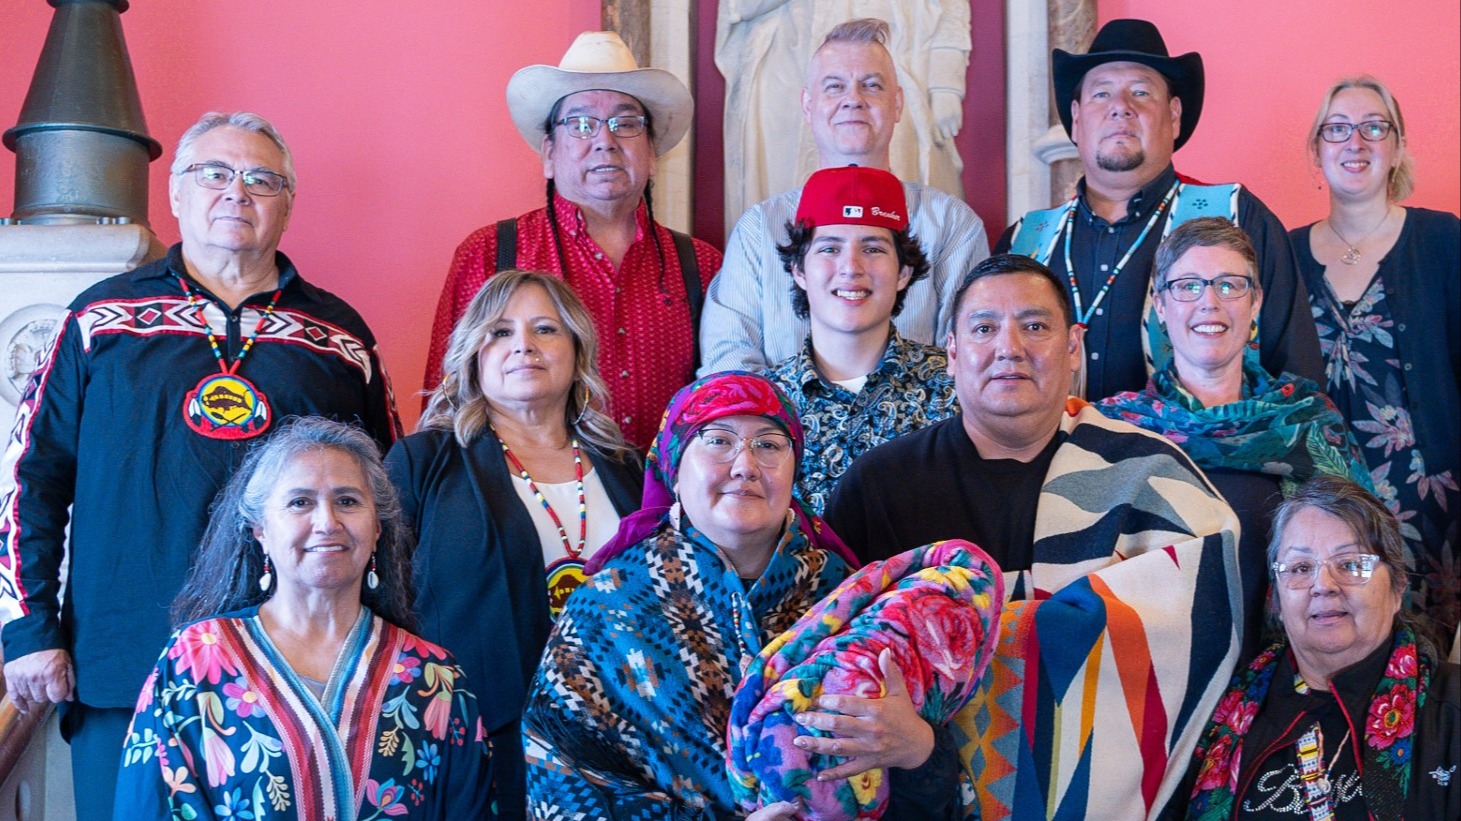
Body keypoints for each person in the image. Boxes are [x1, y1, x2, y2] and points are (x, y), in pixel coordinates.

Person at [0, 111, 400, 821]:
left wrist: (387, 635)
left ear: (287, 203)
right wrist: (28, 630)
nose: (235, 192)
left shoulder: (341, 340)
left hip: (305, 663)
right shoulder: (99, 320)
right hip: (124, 661)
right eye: (213, 173)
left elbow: (391, 502)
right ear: (176, 195)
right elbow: (29, 477)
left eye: (260, 178)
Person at [827, 254, 1245, 818]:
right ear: (950, 353)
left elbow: (1204, 639)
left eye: (1035, 326)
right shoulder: (878, 487)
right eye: (983, 329)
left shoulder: (1150, 475)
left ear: (1074, 348)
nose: (1010, 348)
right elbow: (832, 658)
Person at [521, 372, 996, 819]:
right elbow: (561, 790)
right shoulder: (606, 611)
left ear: (794, 472)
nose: (745, 466)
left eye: (769, 445)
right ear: (672, 469)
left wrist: (917, 749)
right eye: (718, 441)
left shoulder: (853, 601)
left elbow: (938, 796)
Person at [112, 418, 492, 819]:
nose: (327, 523)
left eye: (347, 501)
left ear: (377, 528)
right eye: (300, 502)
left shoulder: (434, 677)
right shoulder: (195, 662)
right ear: (260, 530)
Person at [385, 270, 642, 820]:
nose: (523, 344)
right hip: (477, 743)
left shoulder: (630, 470)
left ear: (577, 349)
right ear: (474, 354)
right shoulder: (423, 463)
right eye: (500, 332)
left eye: (546, 328)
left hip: (620, 745)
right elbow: (379, 607)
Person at [996, 18, 1322, 400]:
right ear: (1077, 117)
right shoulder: (1024, 241)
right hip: (1047, 458)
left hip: (1200, 459)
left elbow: (1297, 380)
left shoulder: (1235, 219)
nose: (1121, 107)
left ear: (1174, 115)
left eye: (1141, 92)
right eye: (1101, 94)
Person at [424, 31, 721, 448]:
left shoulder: (702, 265)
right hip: (524, 504)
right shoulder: (490, 254)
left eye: (626, 123)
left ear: (652, 153)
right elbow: (445, 409)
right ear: (549, 152)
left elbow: (729, 406)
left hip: (668, 506)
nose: (605, 141)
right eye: (581, 124)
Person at [1098, 218, 1371, 657]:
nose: (1210, 302)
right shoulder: (1113, 431)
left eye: (1229, 285)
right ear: (1160, 306)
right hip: (1147, 676)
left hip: (1289, 676)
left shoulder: (1308, 421)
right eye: (1187, 286)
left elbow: (1367, 563)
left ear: (1256, 303)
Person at [701, 17, 989, 375]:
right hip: (782, 429)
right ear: (808, 105)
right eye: (835, 86)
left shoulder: (952, 225)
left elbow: (969, 358)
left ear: (898, 104)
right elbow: (730, 364)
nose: (853, 99)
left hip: (923, 429)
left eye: (871, 85)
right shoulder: (760, 228)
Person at [1289, 75, 1460, 640]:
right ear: (1316, 149)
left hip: (1430, 502)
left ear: (1397, 145)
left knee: (1425, 658)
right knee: (1332, 651)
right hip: (1318, 498)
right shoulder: (1283, 253)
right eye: (1336, 129)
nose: (1354, 142)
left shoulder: (1441, 239)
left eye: (1372, 127)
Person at [1185, 475, 1459, 820]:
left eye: (1350, 564)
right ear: (1278, 602)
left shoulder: (1451, 709)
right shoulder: (1219, 715)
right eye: (1301, 568)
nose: (1323, 586)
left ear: (1397, 589)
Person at [765, 165, 954, 514]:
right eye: (829, 249)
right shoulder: (761, 402)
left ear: (904, 272)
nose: (851, 267)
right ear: (799, 270)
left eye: (873, 249)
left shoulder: (955, 388)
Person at [716, 0, 973, 216]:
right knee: (784, 202)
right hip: (789, 55)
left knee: (898, 182)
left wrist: (945, 81)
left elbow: (949, 7)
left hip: (894, 49)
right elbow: (741, 6)